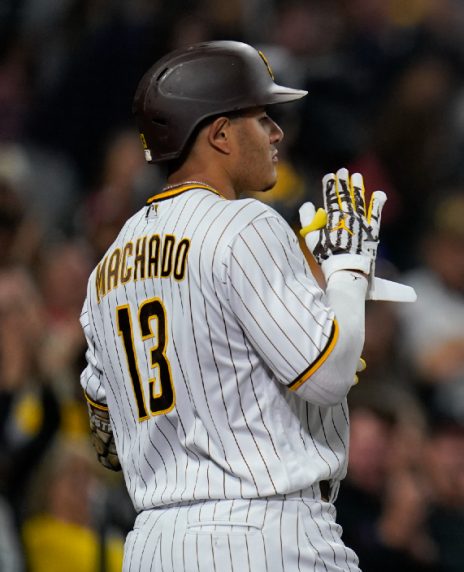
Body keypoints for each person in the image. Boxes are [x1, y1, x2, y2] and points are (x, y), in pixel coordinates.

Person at [79, 40, 406, 571]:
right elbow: (328, 375)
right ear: (219, 133)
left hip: (153, 546)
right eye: (262, 117)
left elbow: (108, 442)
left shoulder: (105, 271)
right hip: (267, 534)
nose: (277, 132)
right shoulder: (245, 223)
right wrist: (346, 273)